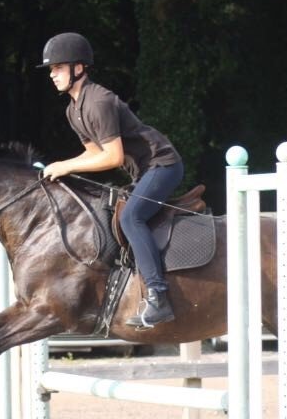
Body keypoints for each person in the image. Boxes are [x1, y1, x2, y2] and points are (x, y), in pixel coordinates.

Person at [39, 32, 184, 329]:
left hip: (163, 165)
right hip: (143, 172)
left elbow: (113, 157)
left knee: (131, 218)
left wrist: (66, 166)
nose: (52, 74)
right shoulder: (73, 109)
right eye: (51, 69)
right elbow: (93, 152)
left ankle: (159, 297)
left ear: (79, 68)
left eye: (58, 68)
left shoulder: (98, 101)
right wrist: (61, 167)